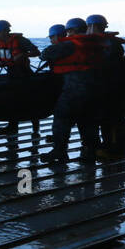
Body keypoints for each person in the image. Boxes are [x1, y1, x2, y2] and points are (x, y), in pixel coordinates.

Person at [39, 17, 105, 164]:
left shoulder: (69, 45)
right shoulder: (95, 43)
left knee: (61, 119)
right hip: (94, 89)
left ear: (71, 30)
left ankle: (59, 151)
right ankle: (90, 152)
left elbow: (45, 54)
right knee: (88, 121)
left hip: (74, 89)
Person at [89, 14, 125, 160]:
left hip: (113, 90)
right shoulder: (110, 44)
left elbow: (107, 68)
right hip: (115, 88)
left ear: (93, 26)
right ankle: (110, 148)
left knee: (113, 121)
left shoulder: (108, 46)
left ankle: (115, 152)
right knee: (109, 121)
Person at [0, 19, 40, 136]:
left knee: (31, 101)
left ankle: (35, 128)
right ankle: (12, 126)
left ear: (5, 31)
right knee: (11, 101)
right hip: (11, 74)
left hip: (25, 74)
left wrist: (23, 55)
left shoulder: (20, 40)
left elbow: (36, 52)